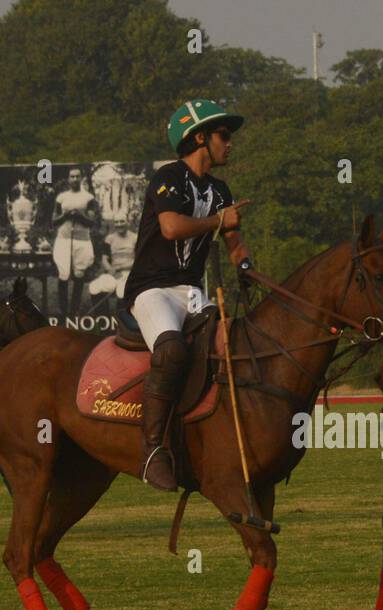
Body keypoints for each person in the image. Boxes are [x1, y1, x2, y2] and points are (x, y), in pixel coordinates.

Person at [120, 98, 254, 492]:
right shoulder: (169, 177)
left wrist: (246, 267)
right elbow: (172, 228)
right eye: (223, 135)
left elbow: (235, 243)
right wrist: (219, 219)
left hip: (192, 292)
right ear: (199, 138)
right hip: (152, 289)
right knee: (173, 351)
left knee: (235, 345)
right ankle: (152, 450)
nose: (229, 143)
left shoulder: (220, 189)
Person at [52, 167, 99, 315]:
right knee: (63, 273)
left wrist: (78, 214)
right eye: (72, 177)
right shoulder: (62, 197)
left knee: (79, 273)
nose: (74, 179)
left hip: (82, 240)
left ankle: (74, 310)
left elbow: (91, 221)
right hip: (63, 239)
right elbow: (54, 220)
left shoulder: (88, 198)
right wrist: (66, 215)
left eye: (77, 176)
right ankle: (63, 311)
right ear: (68, 179)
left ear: (82, 178)